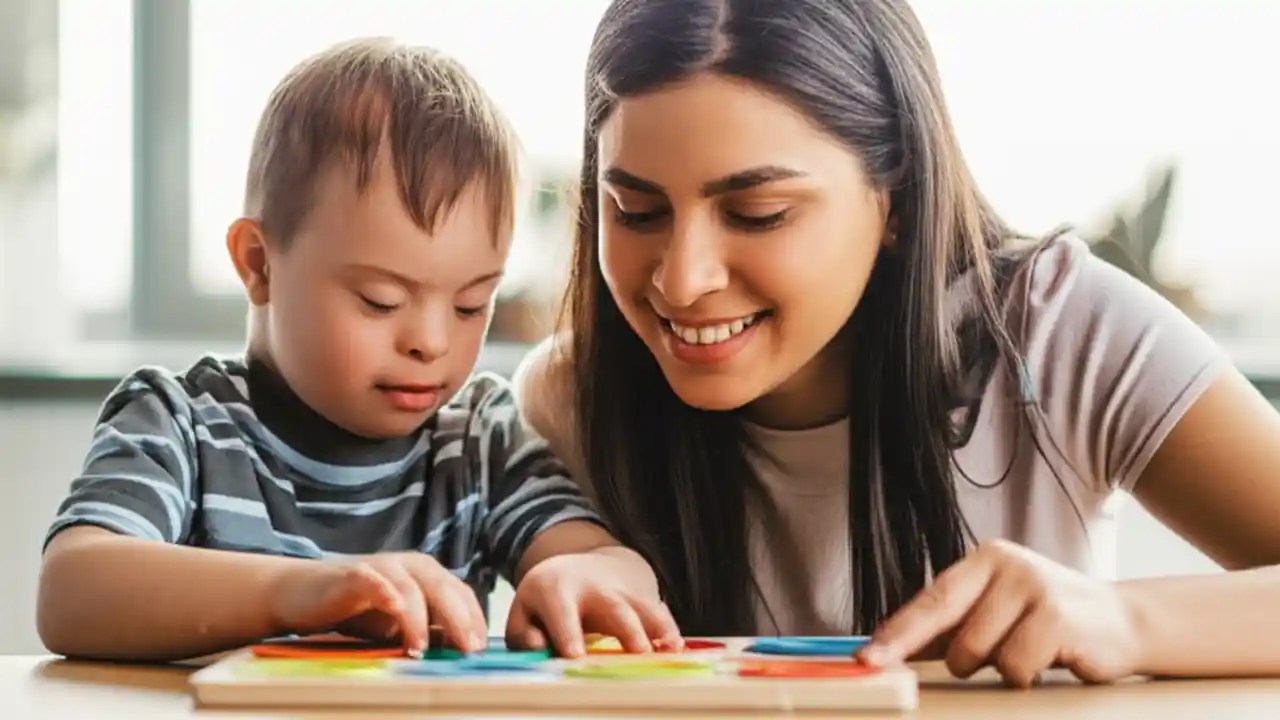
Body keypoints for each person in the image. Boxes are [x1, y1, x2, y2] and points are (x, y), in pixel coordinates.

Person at [515, 0, 1280, 687]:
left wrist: (1124, 621)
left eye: (759, 213)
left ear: (899, 202)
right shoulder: (568, 399)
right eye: (636, 210)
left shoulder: (1061, 330)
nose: (681, 282)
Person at [36, 38, 678, 663]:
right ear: (259, 264)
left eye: (470, 305)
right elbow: (72, 591)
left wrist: (588, 575)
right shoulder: (179, 421)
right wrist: (307, 592)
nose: (431, 342)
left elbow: (603, 561)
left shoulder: (477, 440)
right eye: (380, 300)